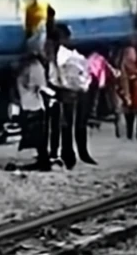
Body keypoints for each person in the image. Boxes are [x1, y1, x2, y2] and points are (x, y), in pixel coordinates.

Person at [49, 24, 92, 168]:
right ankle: (70, 155)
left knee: (64, 125)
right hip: (68, 92)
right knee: (69, 125)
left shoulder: (63, 55)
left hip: (65, 93)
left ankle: (66, 155)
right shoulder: (68, 56)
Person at [10, 53, 52, 171]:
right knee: (35, 136)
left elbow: (39, 86)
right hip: (30, 105)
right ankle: (42, 160)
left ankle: (43, 162)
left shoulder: (34, 66)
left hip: (34, 106)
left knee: (37, 136)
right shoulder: (29, 66)